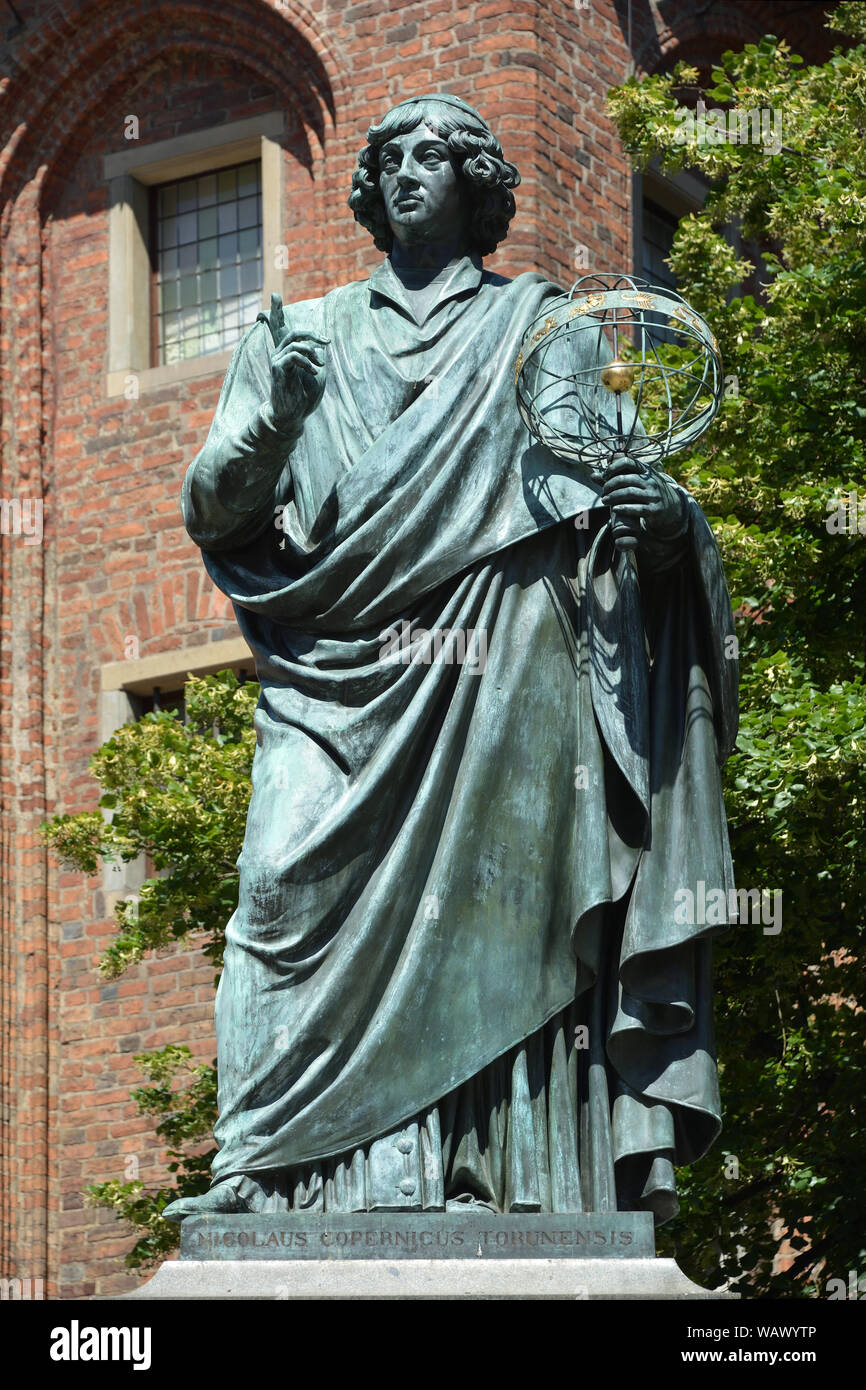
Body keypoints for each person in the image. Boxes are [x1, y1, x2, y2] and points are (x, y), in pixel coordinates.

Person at [164, 93, 737, 1225]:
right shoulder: (303, 337)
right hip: (336, 675)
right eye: (395, 159)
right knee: (276, 886)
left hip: (505, 667)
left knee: (502, 918)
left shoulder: (544, 328)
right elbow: (215, 513)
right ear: (371, 192)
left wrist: (661, 525)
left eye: (439, 155)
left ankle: (500, 1173)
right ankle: (269, 1157)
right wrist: (274, 422)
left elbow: (605, 493)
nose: (413, 172)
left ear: (475, 189)